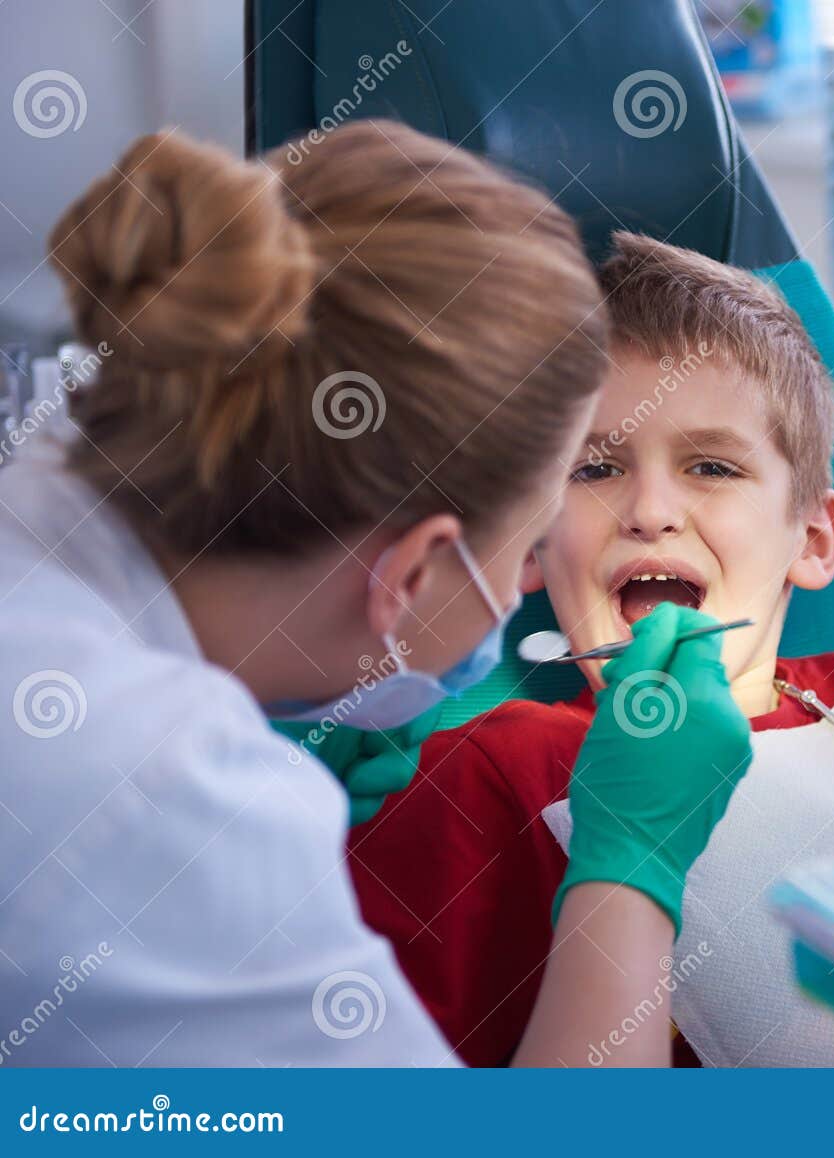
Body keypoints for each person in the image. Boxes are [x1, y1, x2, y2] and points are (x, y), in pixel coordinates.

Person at [0, 124, 752, 1066]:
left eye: (714, 467)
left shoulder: (54, 450)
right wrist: (632, 865)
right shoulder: (174, 804)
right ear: (410, 574)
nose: (647, 514)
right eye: (530, 544)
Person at [348, 233, 834, 1067]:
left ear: (814, 540)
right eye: (595, 470)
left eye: (711, 466)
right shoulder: (487, 777)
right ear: (532, 546)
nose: (649, 510)